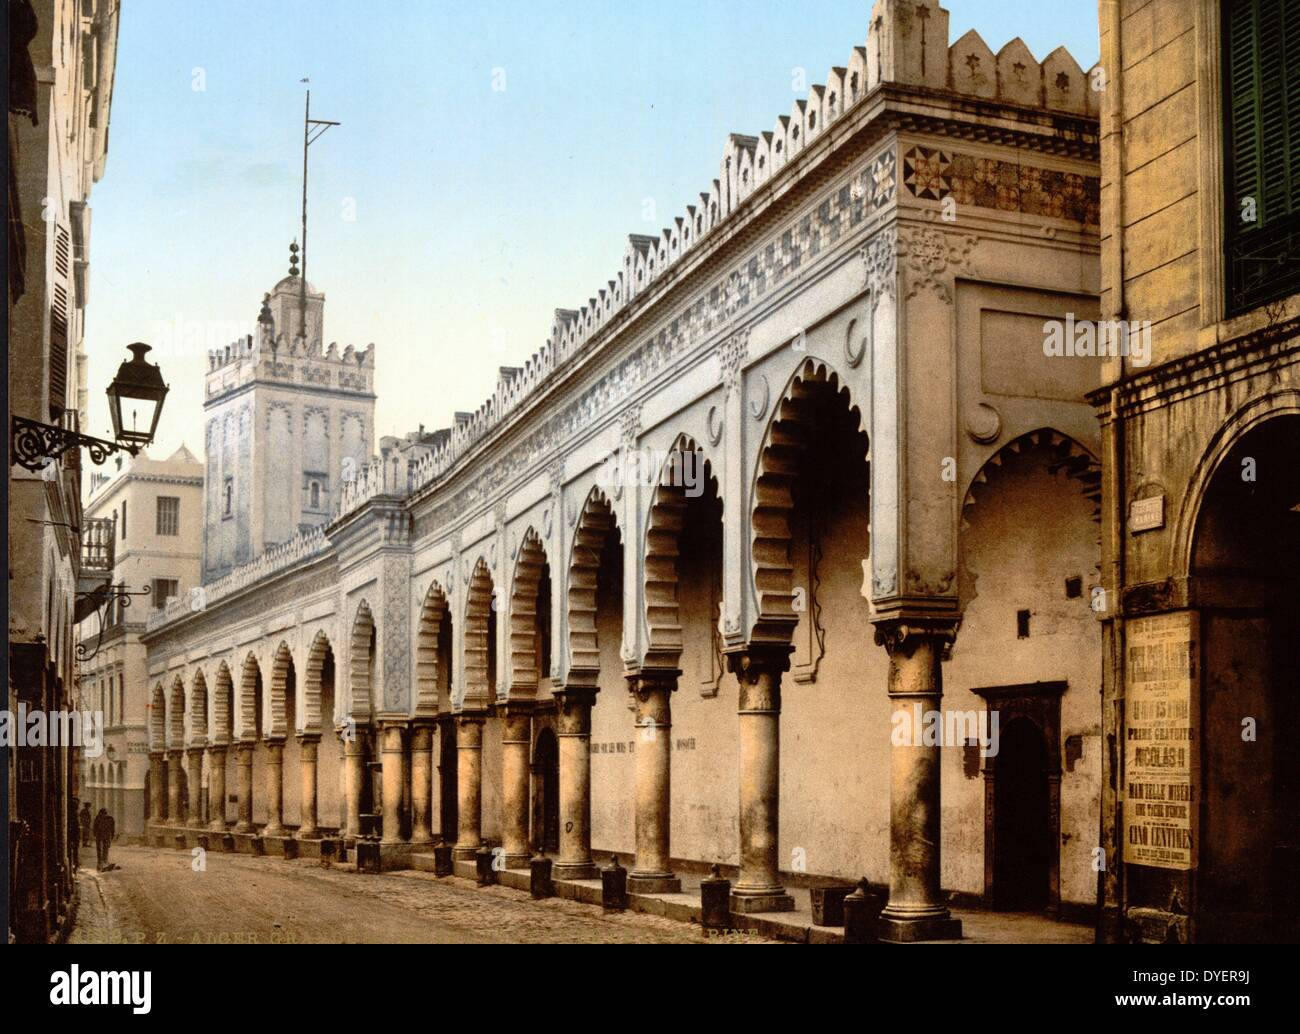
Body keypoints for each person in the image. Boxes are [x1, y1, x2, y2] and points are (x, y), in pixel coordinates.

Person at [69, 803, 80, 873]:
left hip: (74, 837)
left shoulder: (74, 815)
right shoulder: (74, 816)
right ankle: (74, 868)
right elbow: (75, 828)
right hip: (74, 837)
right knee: (74, 853)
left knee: (74, 853)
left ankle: (75, 866)